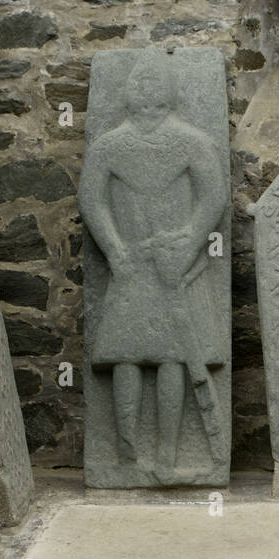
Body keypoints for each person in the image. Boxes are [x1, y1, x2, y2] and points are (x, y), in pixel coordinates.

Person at [79, 50, 228, 479]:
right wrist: (114, 250)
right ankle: (126, 459)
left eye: (154, 84)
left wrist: (188, 242)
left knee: (174, 359)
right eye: (139, 84)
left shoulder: (191, 142)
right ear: (128, 94)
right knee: (126, 356)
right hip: (130, 264)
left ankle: (167, 457)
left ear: (169, 94)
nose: (146, 91)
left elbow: (212, 197)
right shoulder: (110, 145)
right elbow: (92, 199)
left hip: (174, 264)